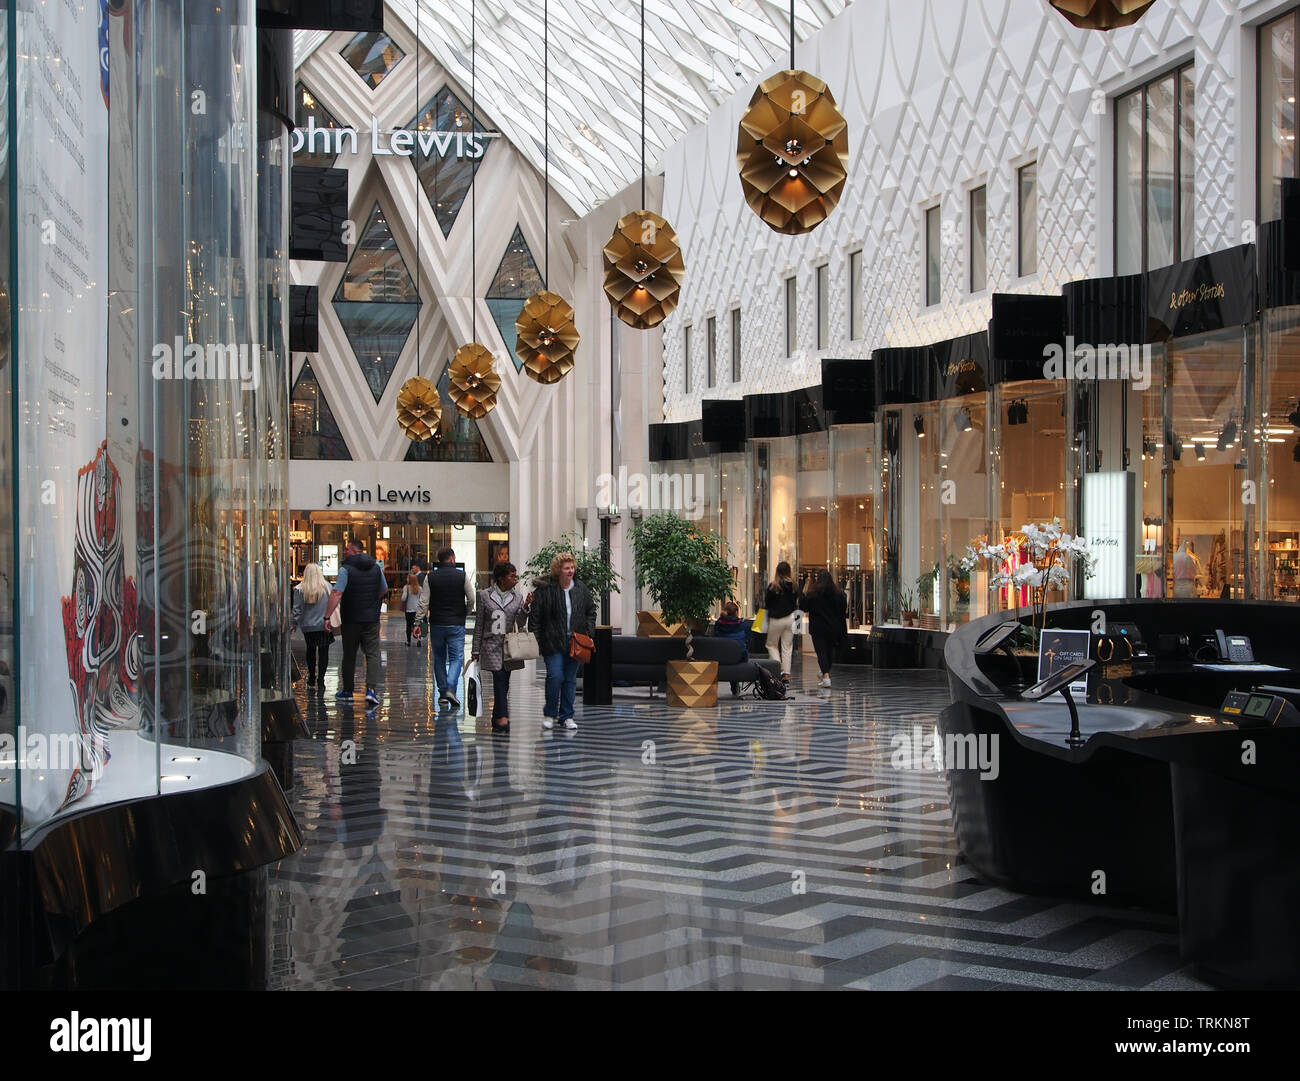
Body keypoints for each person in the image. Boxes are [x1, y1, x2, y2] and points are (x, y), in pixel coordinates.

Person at [528, 552, 596, 731]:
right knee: (555, 675)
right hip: (552, 640)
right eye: (567, 568)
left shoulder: (581, 589)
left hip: (575, 641)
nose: (571, 571)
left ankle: (567, 716)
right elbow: (536, 616)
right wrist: (537, 640)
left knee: (570, 679)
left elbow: (591, 610)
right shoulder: (545, 590)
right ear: (558, 570)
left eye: (572, 567)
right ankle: (550, 713)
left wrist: (589, 632)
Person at [469, 561, 532, 731]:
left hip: (510, 646)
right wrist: (475, 649)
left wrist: (525, 607)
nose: (515, 579)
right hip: (491, 644)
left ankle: (496, 717)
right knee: (499, 678)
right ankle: (503, 717)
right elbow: (479, 624)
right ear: (501, 579)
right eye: (512, 576)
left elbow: (519, 622)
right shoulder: (484, 596)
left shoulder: (517, 597)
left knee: (505, 681)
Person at [326, 540, 386, 706]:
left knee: (349, 654)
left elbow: (337, 592)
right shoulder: (376, 568)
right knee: (373, 653)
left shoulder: (346, 570)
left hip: (351, 618)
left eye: (346, 549)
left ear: (353, 550)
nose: (344, 551)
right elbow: (384, 589)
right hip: (371, 619)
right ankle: (371, 690)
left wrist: (327, 616)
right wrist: (373, 603)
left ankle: (347, 690)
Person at [417, 547, 477, 709]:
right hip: (456, 623)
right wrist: (466, 612)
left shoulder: (431, 577)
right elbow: (471, 598)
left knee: (439, 658)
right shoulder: (461, 576)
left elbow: (424, 602)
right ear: (452, 559)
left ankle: (443, 693)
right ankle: (451, 687)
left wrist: (418, 622)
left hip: (436, 623)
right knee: (456, 657)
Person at [799, 570, 848, 692]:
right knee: (829, 651)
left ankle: (826, 676)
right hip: (833, 628)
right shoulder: (838, 595)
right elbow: (843, 610)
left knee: (821, 652)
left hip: (818, 628)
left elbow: (804, 606)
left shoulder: (813, 594)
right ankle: (824, 672)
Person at [292, 562, 331, 690]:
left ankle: (311, 678)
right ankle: (321, 680)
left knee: (311, 650)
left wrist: (294, 623)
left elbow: (297, 609)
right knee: (324, 651)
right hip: (324, 624)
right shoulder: (327, 588)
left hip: (308, 626)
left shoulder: (300, 589)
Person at [764, 561, 798, 683]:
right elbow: (795, 603)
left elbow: (767, 603)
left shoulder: (773, 586)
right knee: (787, 647)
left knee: (771, 645)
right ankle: (786, 674)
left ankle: (778, 668)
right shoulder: (794, 586)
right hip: (790, 618)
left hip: (776, 619)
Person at [712, 600, 749, 696]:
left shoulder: (718, 624)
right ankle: (735, 685)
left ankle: (734, 686)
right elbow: (748, 639)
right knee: (741, 651)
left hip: (722, 656)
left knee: (728, 653)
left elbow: (715, 637)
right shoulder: (742, 624)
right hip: (740, 656)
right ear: (736, 612)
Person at [401, 569, 423, 645]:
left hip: (409, 610)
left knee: (408, 625)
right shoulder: (420, 588)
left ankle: (408, 641)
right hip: (417, 610)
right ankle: (418, 639)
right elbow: (421, 599)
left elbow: (403, 598)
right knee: (418, 625)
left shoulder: (406, 588)